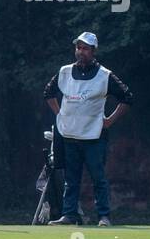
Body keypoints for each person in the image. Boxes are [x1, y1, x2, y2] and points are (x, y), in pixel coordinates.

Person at [44, 31, 132, 228]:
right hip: (70, 135)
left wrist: (109, 121)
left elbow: (127, 97)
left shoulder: (105, 75)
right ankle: (69, 215)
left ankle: (104, 216)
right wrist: (60, 114)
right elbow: (48, 92)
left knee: (98, 178)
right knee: (71, 179)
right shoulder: (65, 72)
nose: (80, 51)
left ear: (93, 51)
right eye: (78, 48)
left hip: (94, 136)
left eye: (85, 48)